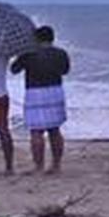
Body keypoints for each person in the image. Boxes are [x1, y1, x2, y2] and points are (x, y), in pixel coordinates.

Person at [11, 26, 70, 174]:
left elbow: (14, 70)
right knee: (54, 130)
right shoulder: (61, 53)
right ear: (52, 38)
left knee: (36, 131)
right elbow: (65, 71)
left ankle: (39, 166)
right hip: (55, 91)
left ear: (36, 38)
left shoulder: (28, 54)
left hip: (35, 92)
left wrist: (20, 52)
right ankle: (56, 165)